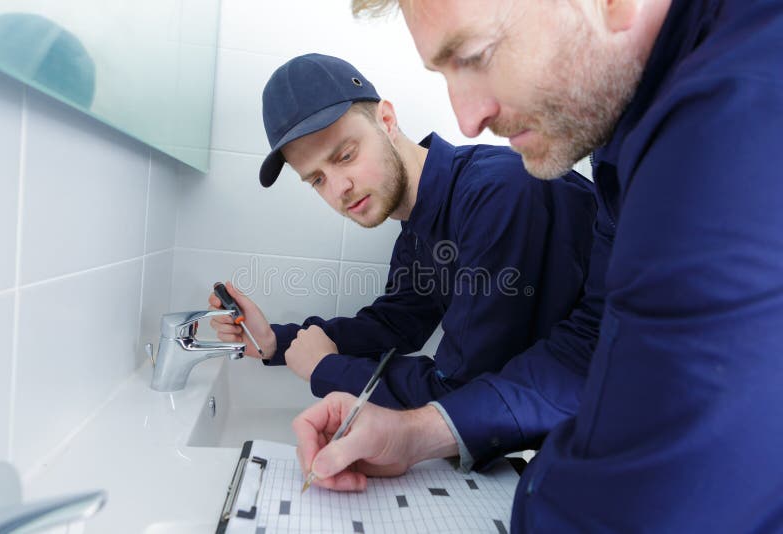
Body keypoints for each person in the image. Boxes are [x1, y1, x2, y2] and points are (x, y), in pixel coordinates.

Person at [293, 0, 783, 531]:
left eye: (477, 55)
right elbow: (588, 342)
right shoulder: (623, 142)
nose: (467, 118)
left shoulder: (743, 105)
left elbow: (689, 476)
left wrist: (331, 369)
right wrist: (419, 432)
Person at [209, 53, 596, 409]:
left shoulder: (497, 193)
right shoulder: (416, 229)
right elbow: (395, 325)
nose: (338, 188)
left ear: (387, 120)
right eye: (317, 180)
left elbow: (465, 386)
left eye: (345, 155)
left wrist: (327, 369)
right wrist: (274, 342)